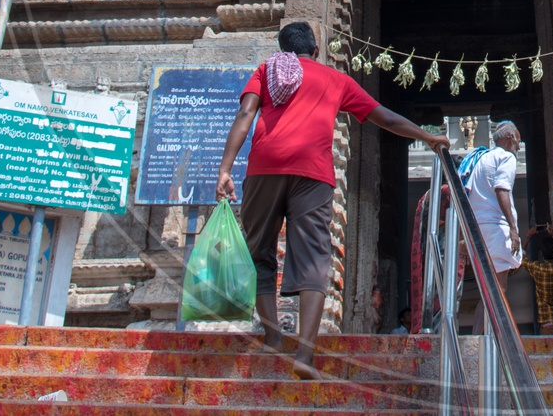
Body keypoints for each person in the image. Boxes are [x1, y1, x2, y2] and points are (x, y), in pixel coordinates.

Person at [216, 21, 450, 379]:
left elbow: (246, 114)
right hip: (313, 173)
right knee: (314, 257)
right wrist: (427, 138)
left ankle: (274, 337)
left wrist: (225, 169)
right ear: (317, 50)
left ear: (283, 50)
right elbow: (384, 117)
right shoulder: (334, 79)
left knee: (257, 252)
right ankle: (305, 354)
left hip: (264, 168)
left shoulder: (268, 70)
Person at [462, 120, 524, 311]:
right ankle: (484, 338)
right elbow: (501, 189)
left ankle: (480, 336)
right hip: (496, 227)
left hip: (477, 227)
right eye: (518, 141)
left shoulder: (481, 159)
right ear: (510, 137)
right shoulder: (506, 158)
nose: (519, 146)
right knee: (499, 289)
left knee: (490, 291)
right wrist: (513, 229)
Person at [521, 224, 553, 335]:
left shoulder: (538, 268)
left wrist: (528, 236)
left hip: (546, 321)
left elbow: (521, 257)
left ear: (542, 253)